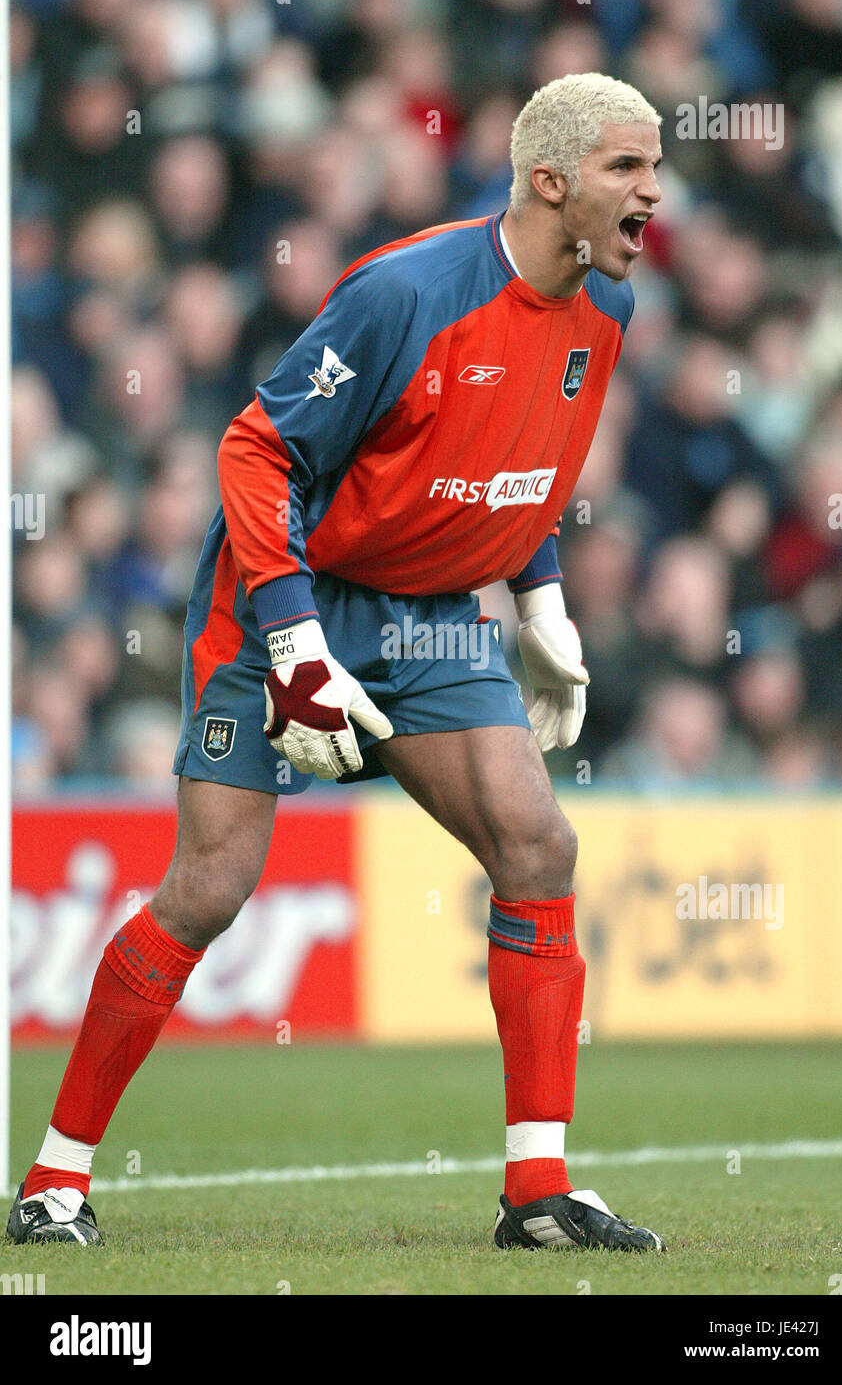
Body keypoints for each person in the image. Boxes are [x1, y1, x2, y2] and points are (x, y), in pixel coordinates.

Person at [8, 72, 666, 1253]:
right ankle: (55, 1180)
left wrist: (542, 598)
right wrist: (296, 643)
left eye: (655, 165)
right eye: (627, 168)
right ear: (548, 180)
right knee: (210, 888)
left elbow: (524, 470)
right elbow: (256, 450)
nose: (651, 192)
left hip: (428, 616)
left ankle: (536, 1194)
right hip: (287, 594)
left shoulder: (605, 315)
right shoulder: (405, 292)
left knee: (537, 841)